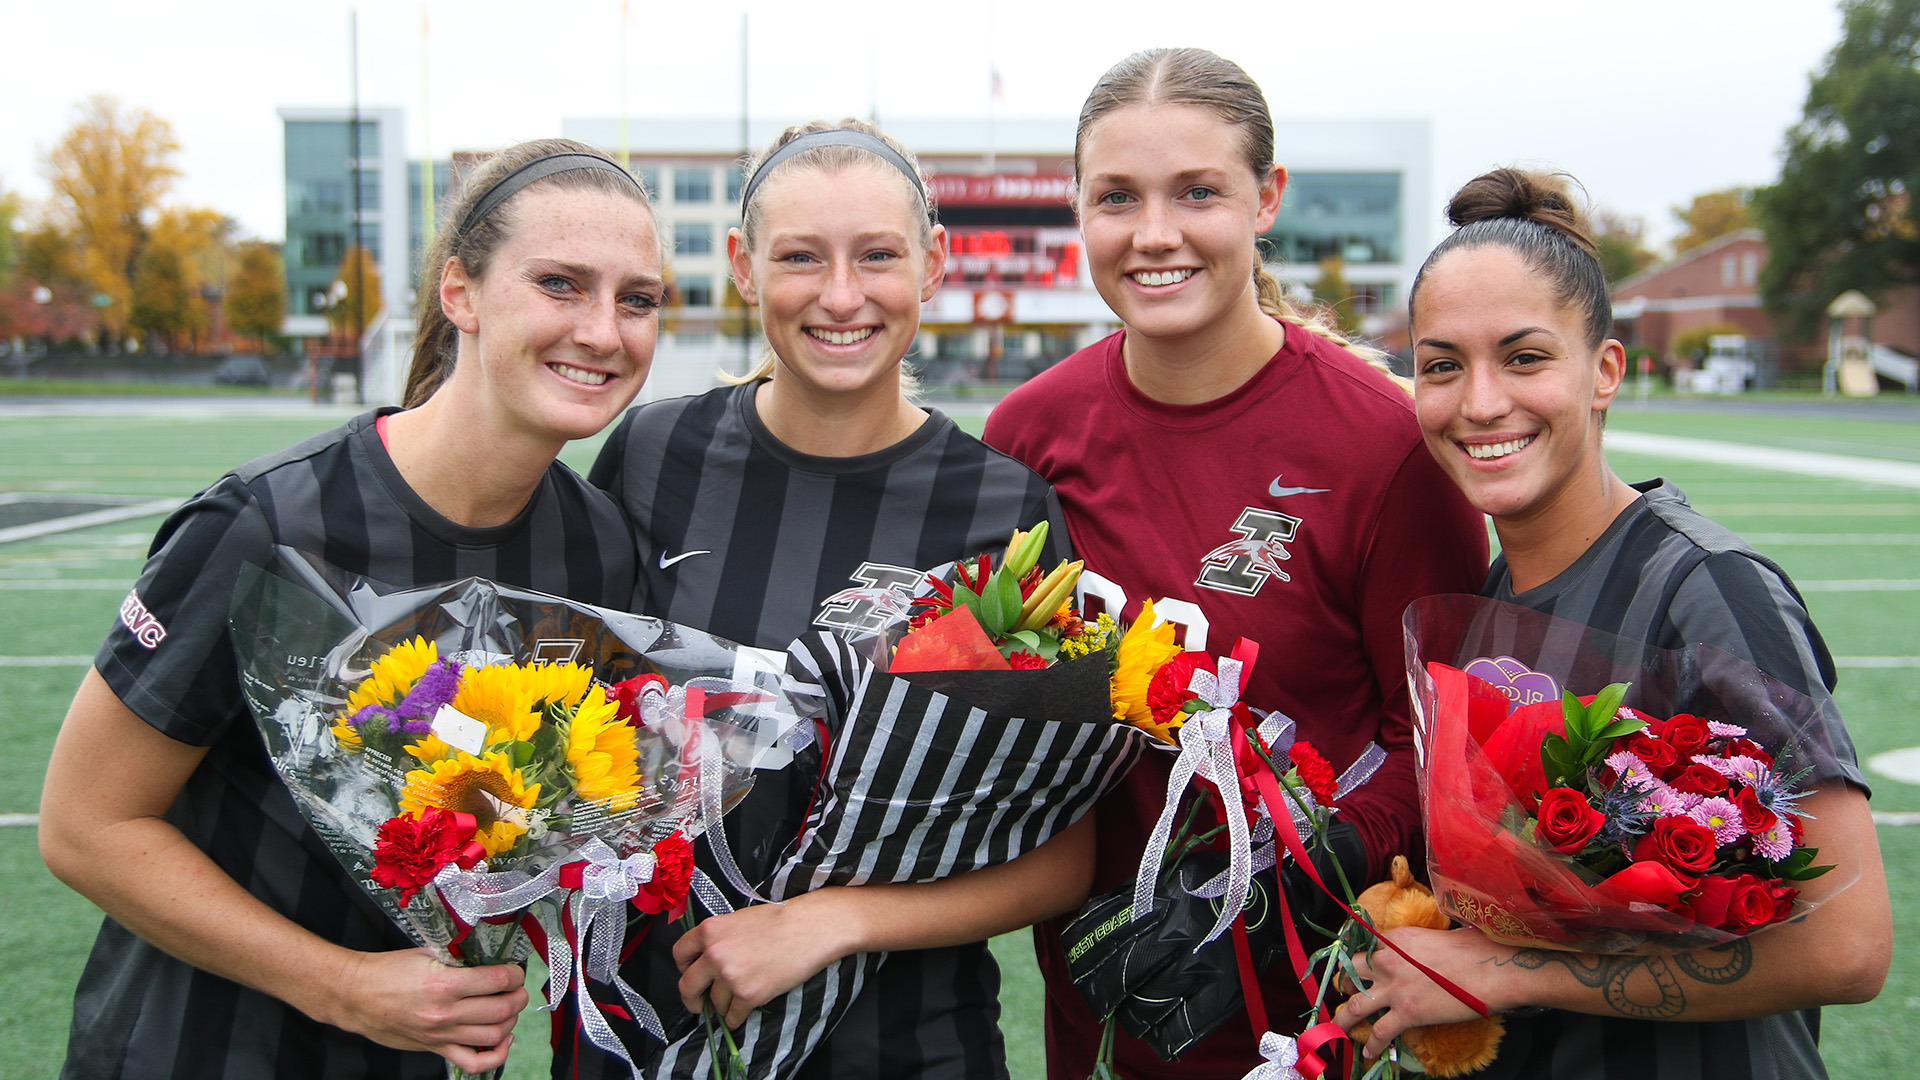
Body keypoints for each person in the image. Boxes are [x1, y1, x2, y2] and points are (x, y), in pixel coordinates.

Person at [38, 138, 664, 1079]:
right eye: (560, 284)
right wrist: (343, 985)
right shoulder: (267, 521)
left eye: (638, 299)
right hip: (195, 1053)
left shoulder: (600, 546)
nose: (605, 331)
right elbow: (86, 827)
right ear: (460, 293)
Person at [982, 48, 1490, 1079]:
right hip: (1102, 1007)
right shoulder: (1028, 433)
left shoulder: (1388, 444)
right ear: (1078, 208)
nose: (1153, 233)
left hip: (1315, 1013)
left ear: (1267, 198)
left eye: (1197, 192)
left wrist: (1297, 869)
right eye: (1116, 197)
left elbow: (1444, 742)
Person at [1330, 167, 1892, 1078]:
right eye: (1441, 365)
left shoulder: (1710, 588)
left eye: (1524, 357)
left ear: (1604, 372)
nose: (1480, 402)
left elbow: (1846, 949)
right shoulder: (1484, 599)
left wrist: (1507, 973)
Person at [582, 119, 1086, 1080]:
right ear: (743, 265)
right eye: (801, 256)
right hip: (650, 1028)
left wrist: (834, 921)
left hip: (908, 1046)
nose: (842, 295)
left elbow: (1064, 855)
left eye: (878, 255)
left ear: (934, 264)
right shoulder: (652, 455)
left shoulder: (1001, 509)